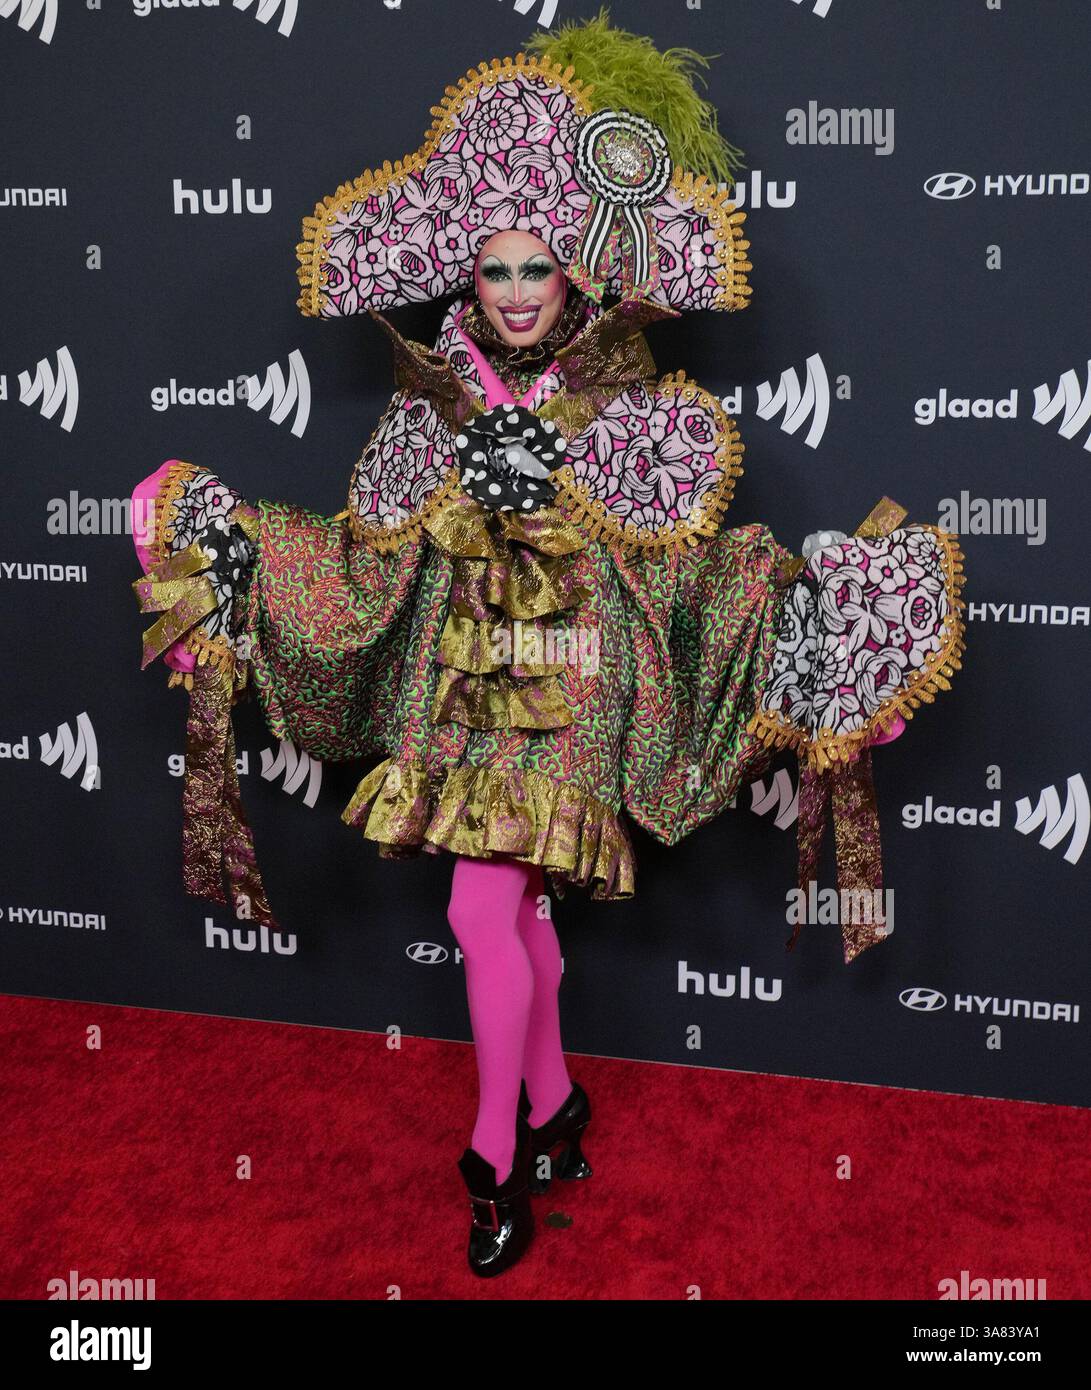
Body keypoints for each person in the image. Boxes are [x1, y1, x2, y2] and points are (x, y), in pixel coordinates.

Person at [129, 11, 966, 1278]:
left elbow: (680, 574)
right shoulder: (429, 414)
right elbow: (369, 566)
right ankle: (560, 1107)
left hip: (572, 704)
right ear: (462, 281)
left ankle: (494, 1155)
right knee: (505, 916)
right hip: (462, 705)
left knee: (478, 910)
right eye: (493, 272)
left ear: (574, 273)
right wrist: (248, 559)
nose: (516, 293)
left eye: (537, 269)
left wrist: (608, 506)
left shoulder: (638, 410)